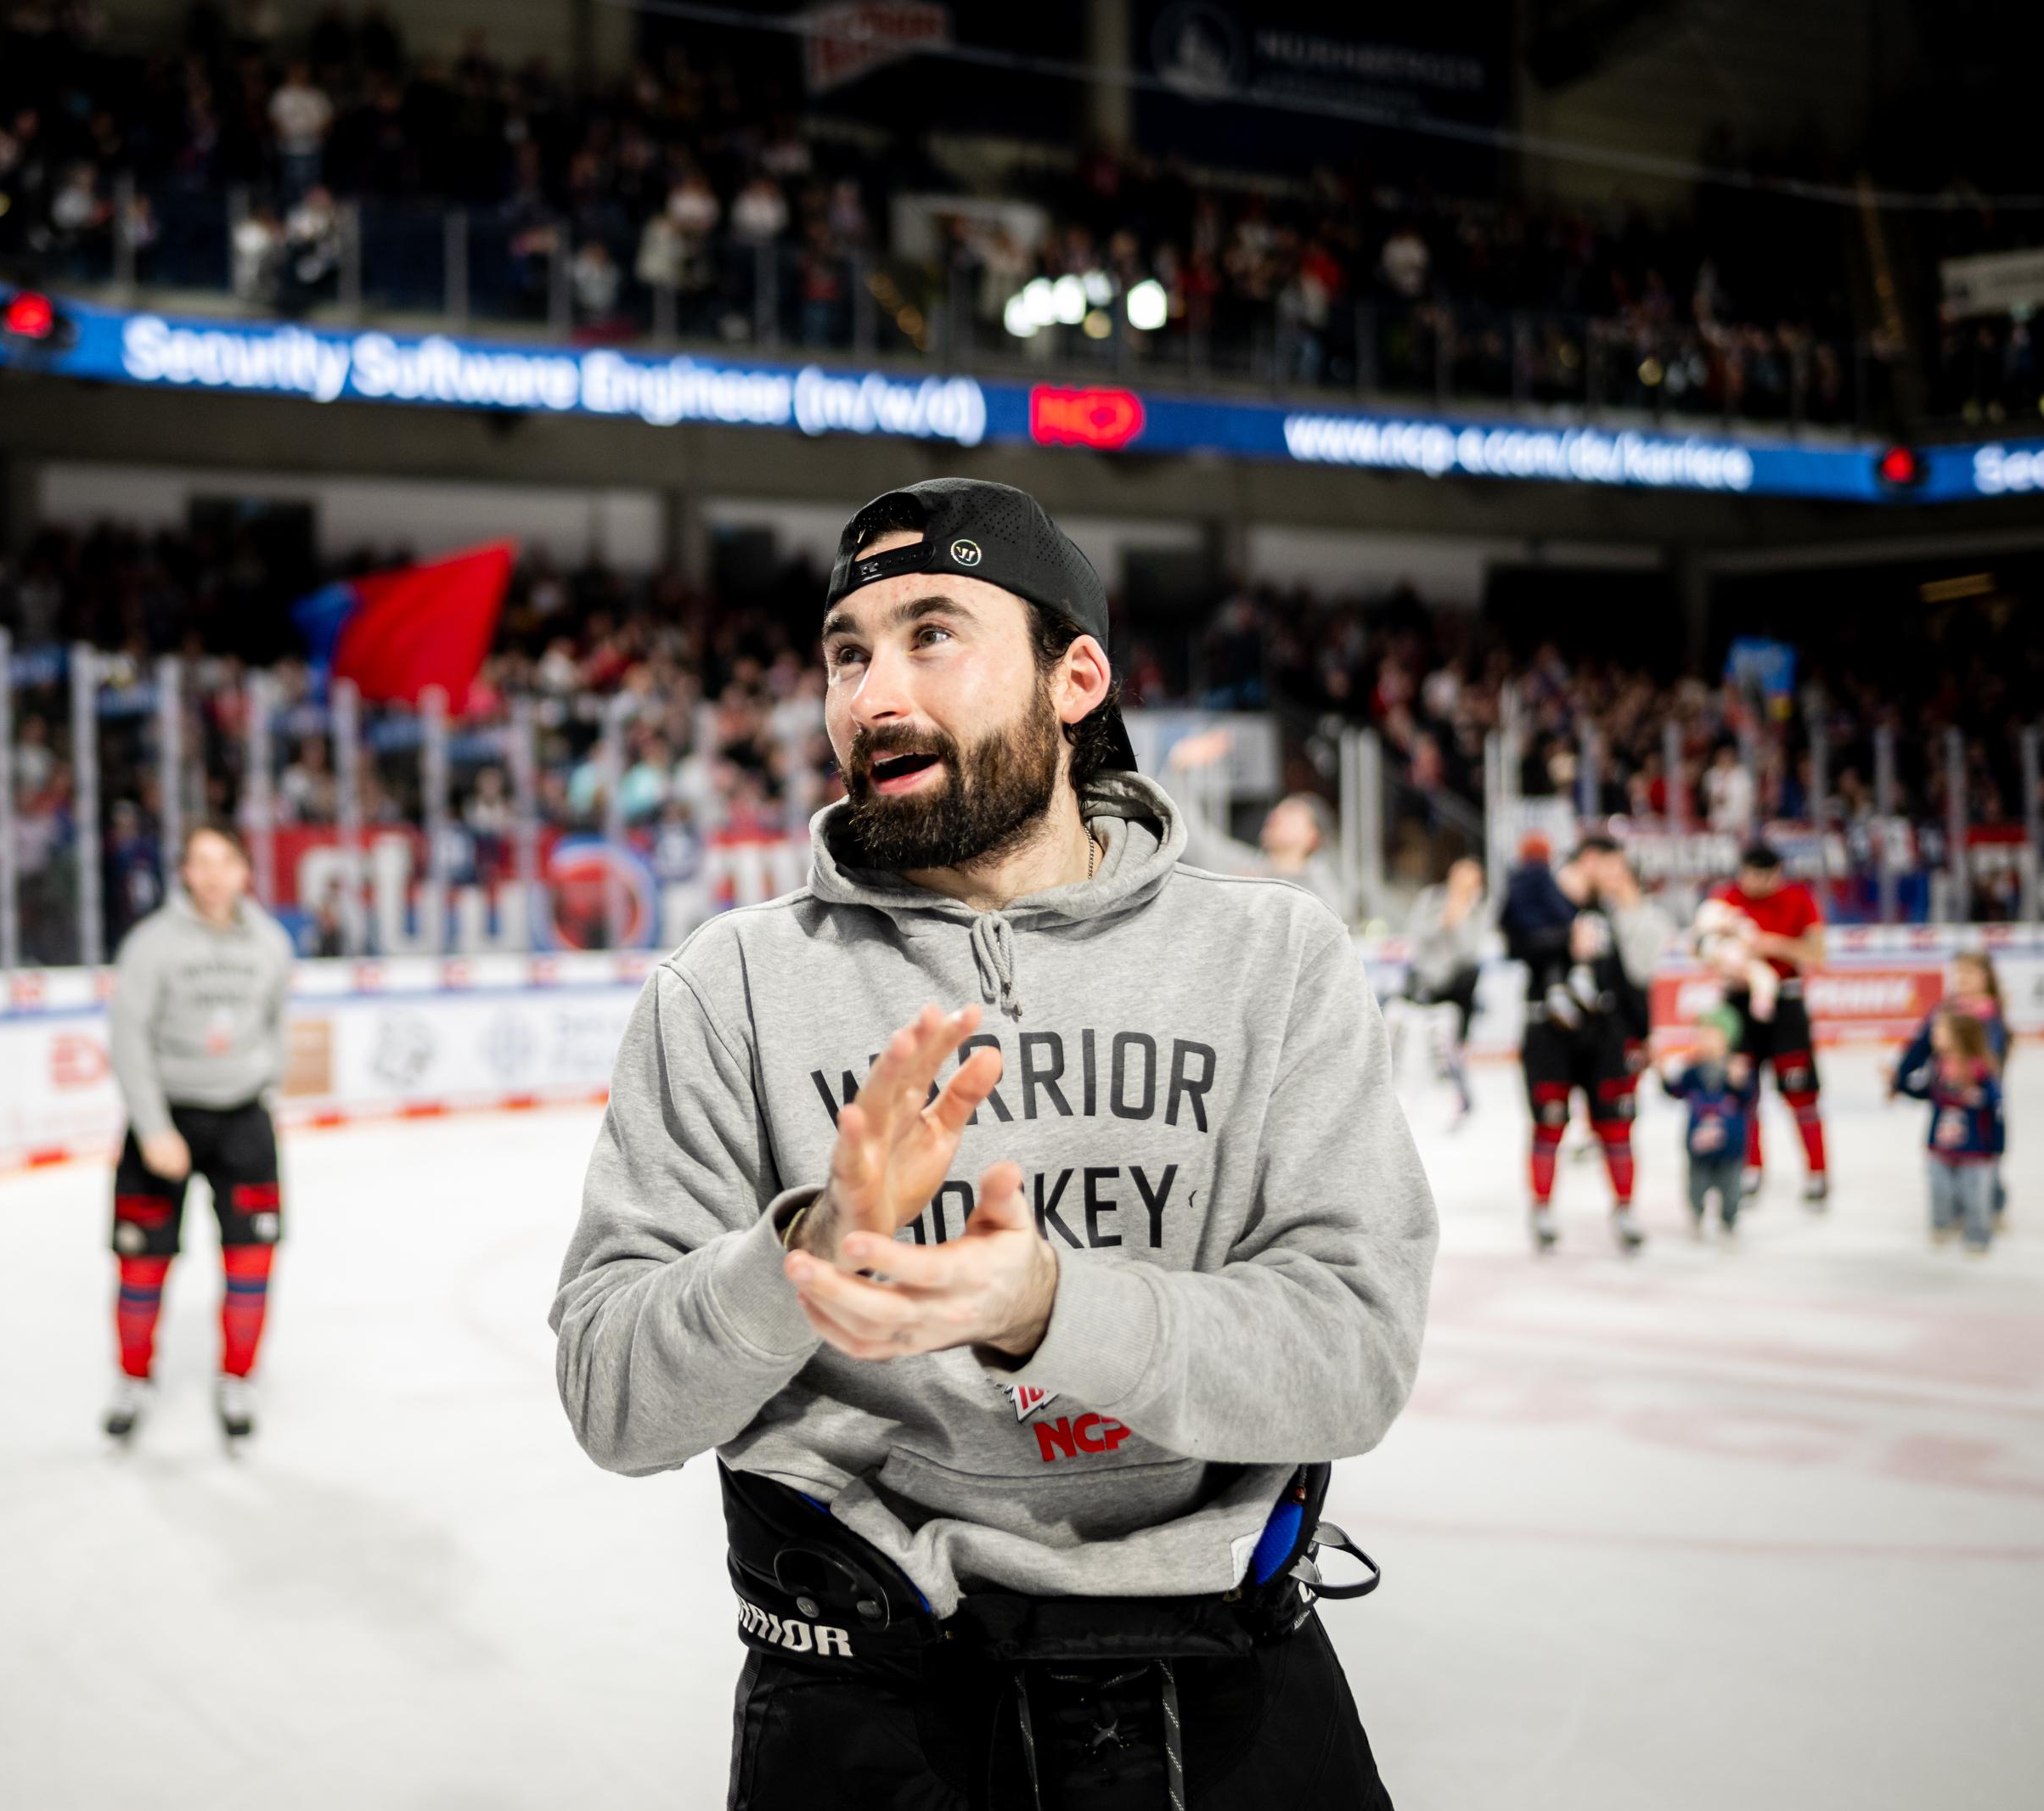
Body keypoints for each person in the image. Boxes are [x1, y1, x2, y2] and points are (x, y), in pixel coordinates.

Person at [553, 478, 1436, 1809]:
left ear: (1074, 678)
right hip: (872, 1712)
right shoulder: (729, 987)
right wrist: (801, 1258)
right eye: (846, 653)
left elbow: (1352, 1360)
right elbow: (614, 1401)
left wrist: (1048, 1310)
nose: (871, 696)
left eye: (930, 636)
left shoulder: (1273, 959)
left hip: (1235, 1696)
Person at [103, 824, 295, 1443]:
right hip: (166, 1120)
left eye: (225, 861)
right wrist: (154, 1127)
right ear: (184, 872)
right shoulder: (151, 944)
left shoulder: (270, 942)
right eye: (200, 863)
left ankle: (238, 1378)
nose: (213, 875)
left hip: (244, 1120)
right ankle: (134, 1378)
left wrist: (264, 1082)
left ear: (244, 870)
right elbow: (128, 1039)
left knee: (252, 1258)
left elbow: (277, 1022)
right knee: (142, 1262)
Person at [1499, 835, 1650, 1253]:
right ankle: (1543, 1210)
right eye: (1613, 867)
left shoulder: (1602, 910)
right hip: (1549, 1031)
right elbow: (1515, 942)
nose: (1618, 877)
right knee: (1549, 1122)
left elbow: (1620, 975)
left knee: (1616, 1124)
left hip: (1603, 1034)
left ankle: (1625, 1210)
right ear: (1592, 860)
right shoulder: (1534, 888)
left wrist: (1643, 1033)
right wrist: (1566, 937)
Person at [1707, 844, 1830, 1205]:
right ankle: (1751, 1168)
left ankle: (1817, 1172)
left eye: (1763, 876)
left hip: (1785, 1003)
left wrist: (1771, 945)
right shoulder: (1725, 898)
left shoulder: (1798, 898)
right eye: (1748, 875)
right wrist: (1727, 961)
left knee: (1800, 1092)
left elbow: (1817, 952)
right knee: (1741, 1090)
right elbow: (1703, 945)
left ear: (1777, 874)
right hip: (1739, 1001)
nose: (1754, 883)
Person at [1887, 949, 2013, 1227]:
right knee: (1946, 1148)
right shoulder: (1946, 1009)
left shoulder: (1991, 1014)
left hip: (1978, 1100)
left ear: (1986, 977)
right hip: (1946, 1095)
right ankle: (1953, 1205)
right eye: (1959, 973)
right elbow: (1920, 1046)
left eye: (1970, 972)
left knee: (1984, 1152)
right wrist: (1899, 1077)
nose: (1963, 979)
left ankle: (1990, 1204)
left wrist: (1976, 1083)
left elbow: (1995, 1060)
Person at [1894, 1012, 2005, 1256]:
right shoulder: (1938, 1066)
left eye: (1939, 1031)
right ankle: (1942, 1224)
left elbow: (1996, 1105)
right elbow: (1924, 1093)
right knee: (1939, 1188)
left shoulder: (1980, 1069)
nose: (1933, 1035)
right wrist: (1898, 1083)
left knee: (1975, 1195)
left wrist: (1996, 1147)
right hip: (1941, 1145)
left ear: (1958, 1035)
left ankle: (1978, 1235)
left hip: (1975, 1149)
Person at [1399, 856, 1488, 1122]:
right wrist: (1443, 921)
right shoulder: (1431, 899)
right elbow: (1415, 932)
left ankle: (1461, 1097)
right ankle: (1410, 1092)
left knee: (1453, 1045)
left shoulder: (1478, 907)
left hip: (1458, 987)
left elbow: (1470, 951)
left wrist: (1459, 921)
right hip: (1426, 981)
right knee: (1414, 1034)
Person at [1659, 1005, 1754, 1240]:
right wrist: (1662, 1073)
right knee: (1696, 1186)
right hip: (1698, 1145)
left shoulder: (1736, 1068)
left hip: (1730, 1146)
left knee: (1731, 1188)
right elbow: (1676, 1091)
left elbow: (1750, 1098)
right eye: (1701, 1034)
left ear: (1727, 1038)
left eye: (1711, 1034)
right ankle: (1697, 1213)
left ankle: (1729, 1219)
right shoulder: (1693, 1070)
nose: (1705, 1040)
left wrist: (1740, 1082)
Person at [1258, 791, 1350, 920]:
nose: (1276, 814)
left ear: (1313, 836)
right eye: (1277, 810)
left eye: (1291, 812)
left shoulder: (1322, 893)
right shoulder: (1244, 868)